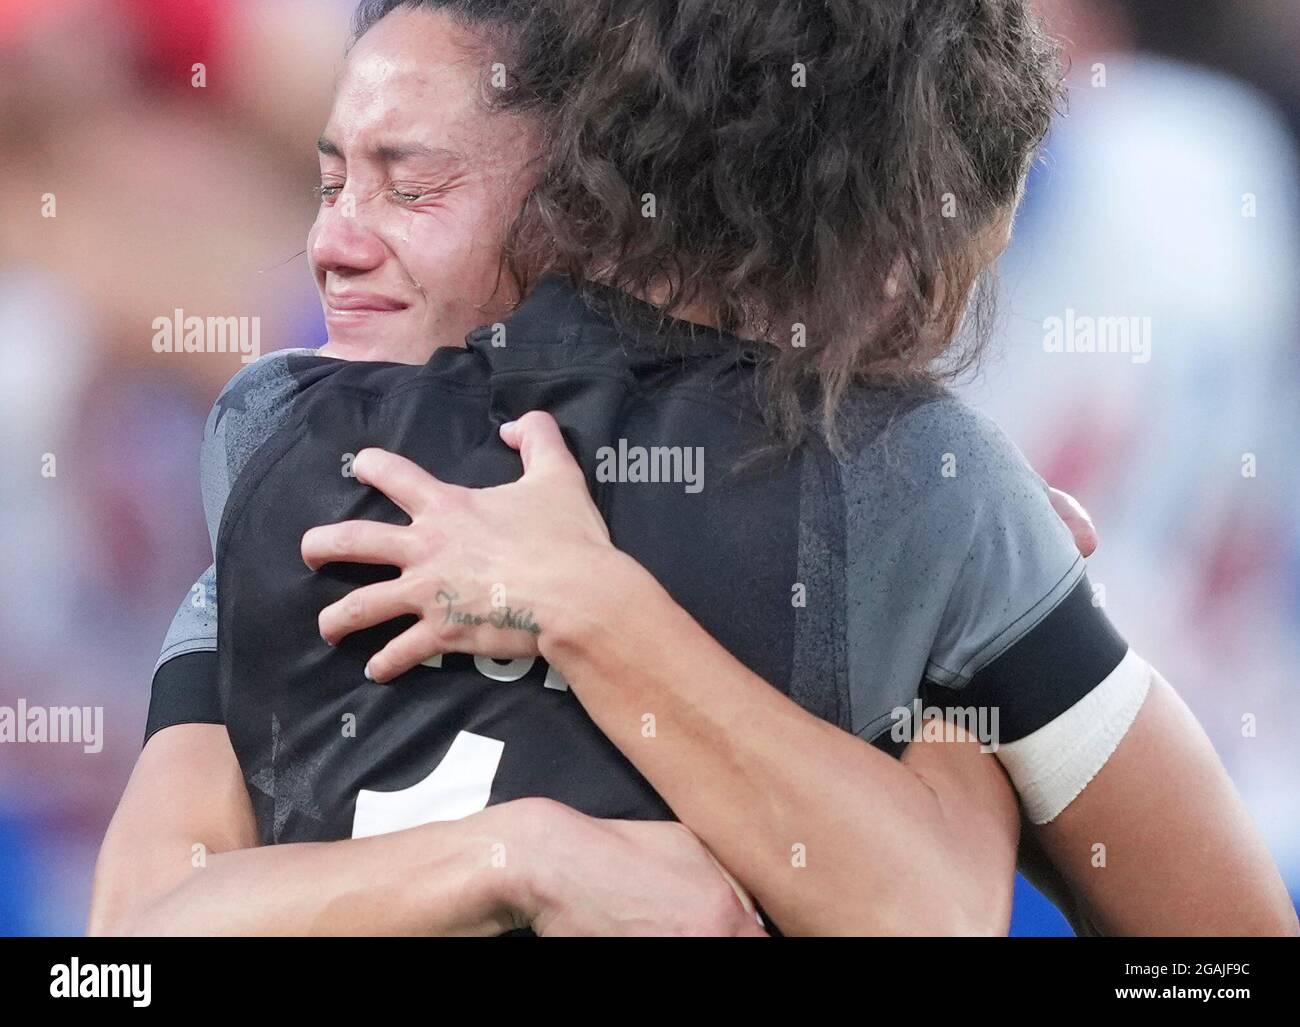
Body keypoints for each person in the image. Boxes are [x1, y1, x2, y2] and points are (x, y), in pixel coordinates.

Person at [90, 0, 1297, 936]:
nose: (337, 242)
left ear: (568, 170)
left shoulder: (288, 441)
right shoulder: (921, 489)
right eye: (338, 178)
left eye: (415, 180)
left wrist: (592, 626)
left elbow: (117, 957)